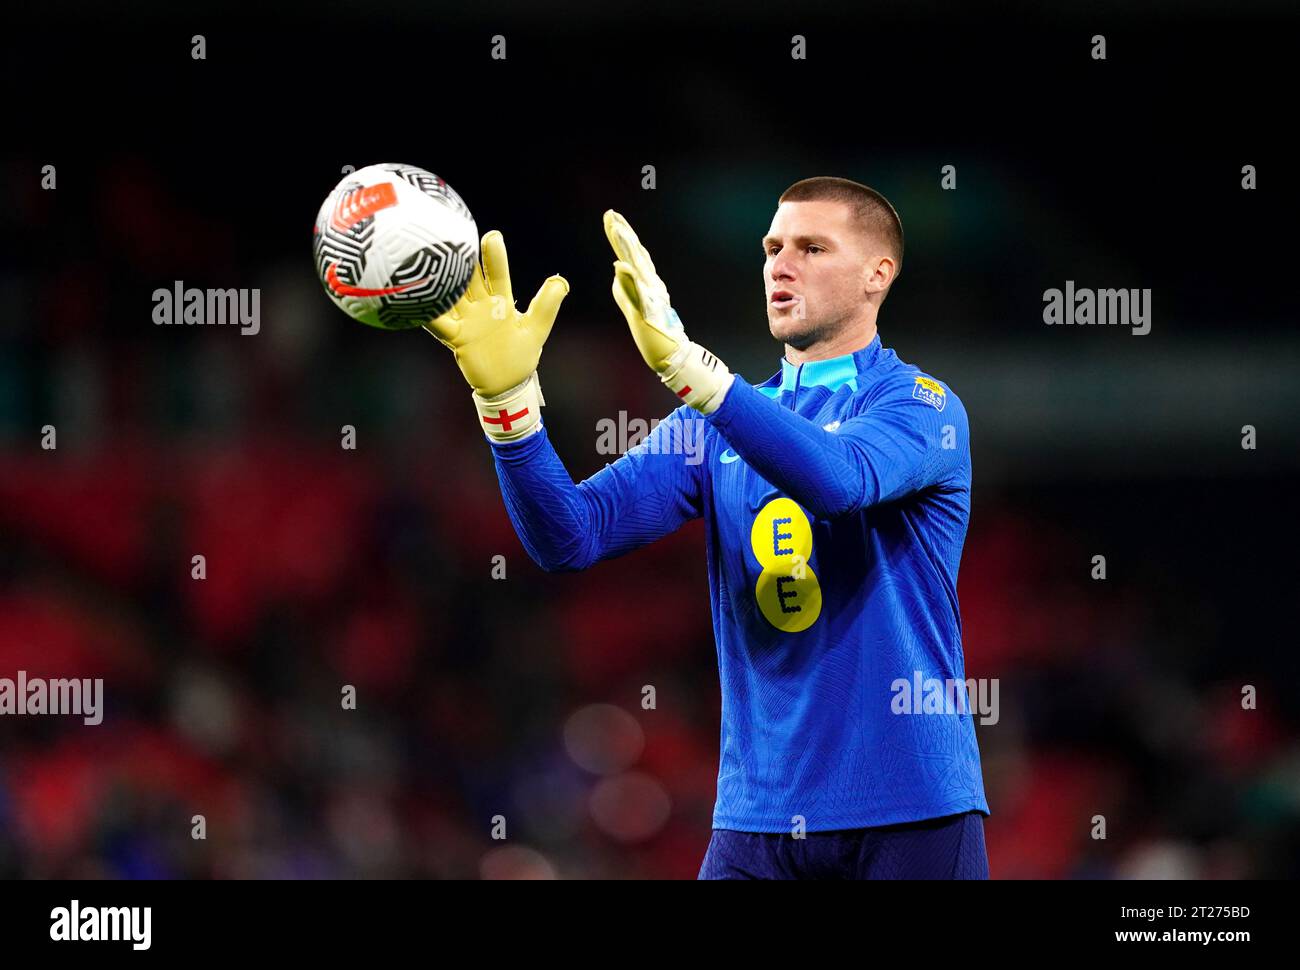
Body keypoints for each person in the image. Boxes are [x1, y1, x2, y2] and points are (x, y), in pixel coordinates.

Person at [425, 176, 989, 879]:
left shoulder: (921, 405)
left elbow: (839, 481)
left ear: (879, 274)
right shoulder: (709, 425)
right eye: (772, 247)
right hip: (756, 819)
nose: (781, 264)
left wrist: (696, 373)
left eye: (812, 247)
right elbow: (570, 535)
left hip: (910, 808)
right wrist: (506, 402)